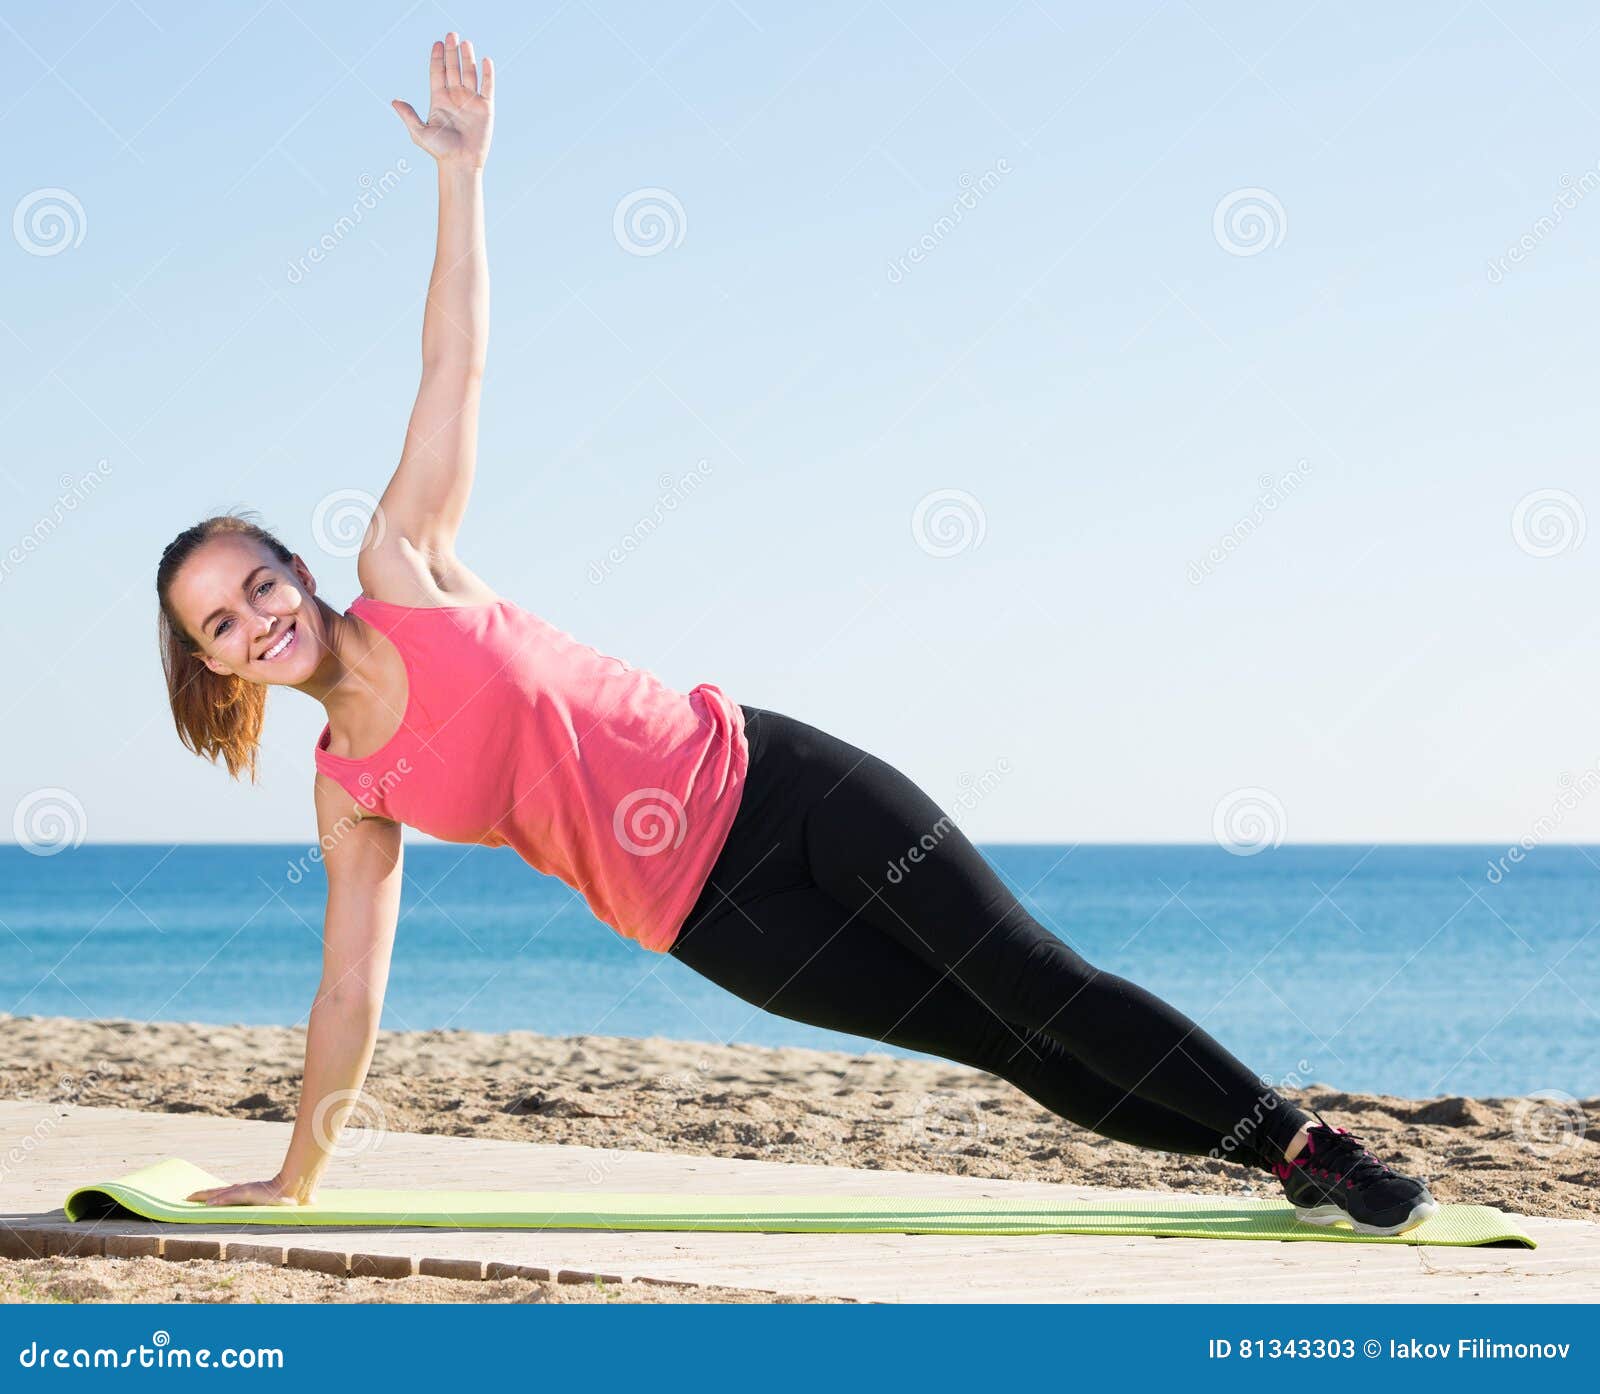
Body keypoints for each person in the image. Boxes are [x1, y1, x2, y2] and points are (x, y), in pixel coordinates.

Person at [155, 34, 1436, 1237]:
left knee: (1028, 973)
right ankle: (1263, 1157)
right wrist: (296, 1176)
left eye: (257, 583)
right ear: (215, 662)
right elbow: (348, 993)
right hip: (718, 925)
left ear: (297, 568)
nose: (255, 619)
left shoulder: (404, 565)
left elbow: (455, 365)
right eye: (222, 622)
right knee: (1000, 1042)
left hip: (780, 784)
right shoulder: (350, 788)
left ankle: (1309, 1144)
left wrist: (463, 179)